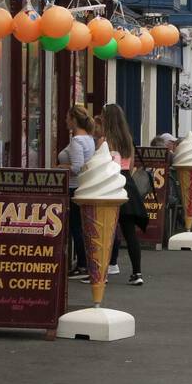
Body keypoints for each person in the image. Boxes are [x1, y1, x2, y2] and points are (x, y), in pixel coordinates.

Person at [96, 104, 147, 286]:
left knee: (105, 231)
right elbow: (131, 165)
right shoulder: (128, 140)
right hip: (127, 185)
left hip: (109, 184)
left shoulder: (104, 141)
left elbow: (99, 164)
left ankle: (101, 272)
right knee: (129, 232)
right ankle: (137, 273)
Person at [57, 105, 97, 277]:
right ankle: (83, 263)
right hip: (83, 187)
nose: (66, 120)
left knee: (76, 228)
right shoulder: (89, 139)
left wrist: (59, 167)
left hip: (74, 187)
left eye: (67, 117)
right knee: (80, 227)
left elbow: (78, 167)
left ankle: (82, 264)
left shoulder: (77, 141)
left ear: (73, 119)